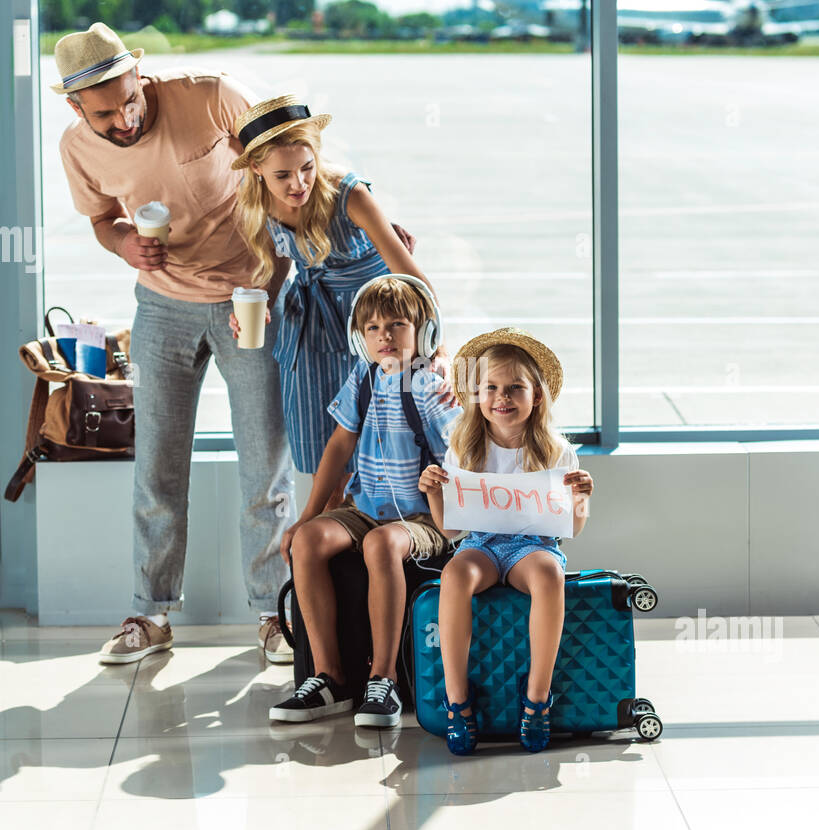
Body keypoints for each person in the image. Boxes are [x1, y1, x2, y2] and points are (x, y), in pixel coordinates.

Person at [54, 23, 294, 665]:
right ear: (76, 108)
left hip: (252, 296)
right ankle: (149, 614)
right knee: (156, 467)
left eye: (131, 99)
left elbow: (294, 161)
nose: (126, 118)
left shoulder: (213, 94)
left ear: (140, 75)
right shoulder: (78, 147)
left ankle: (276, 615)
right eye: (105, 112)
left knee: (263, 467)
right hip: (162, 306)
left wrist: (364, 213)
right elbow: (106, 220)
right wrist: (124, 243)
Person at [271, 274, 460, 728]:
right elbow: (338, 446)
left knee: (381, 544)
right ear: (361, 337)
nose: (385, 337)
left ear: (425, 333)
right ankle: (329, 678)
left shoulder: (431, 388)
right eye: (373, 328)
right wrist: (306, 518)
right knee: (309, 542)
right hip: (363, 508)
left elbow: (464, 454)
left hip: (422, 518)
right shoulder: (363, 377)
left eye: (397, 325)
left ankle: (384, 680)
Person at [232, 96, 441, 490]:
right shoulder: (260, 205)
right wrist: (262, 301)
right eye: (282, 176)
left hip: (373, 325)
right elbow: (281, 260)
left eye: (307, 168)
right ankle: (323, 538)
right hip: (309, 326)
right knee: (318, 446)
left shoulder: (350, 195)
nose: (298, 184)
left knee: (377, 447)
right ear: (257, 170)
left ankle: (371, 539)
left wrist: (436, 347)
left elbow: (410, 276)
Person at [419, 329, 594, 755]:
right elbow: (451, 531)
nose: (503, 397)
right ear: (478, 396)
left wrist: (581, 498)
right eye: (492, 388)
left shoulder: (556, 451)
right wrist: (432, 493)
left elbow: (570, 527)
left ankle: (536, 699)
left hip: (531, 545)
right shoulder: (464, 447)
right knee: (456, 572)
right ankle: (457, 701)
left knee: (550, 573)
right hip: (481, 542)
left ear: (536, 396)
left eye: (516, 387)